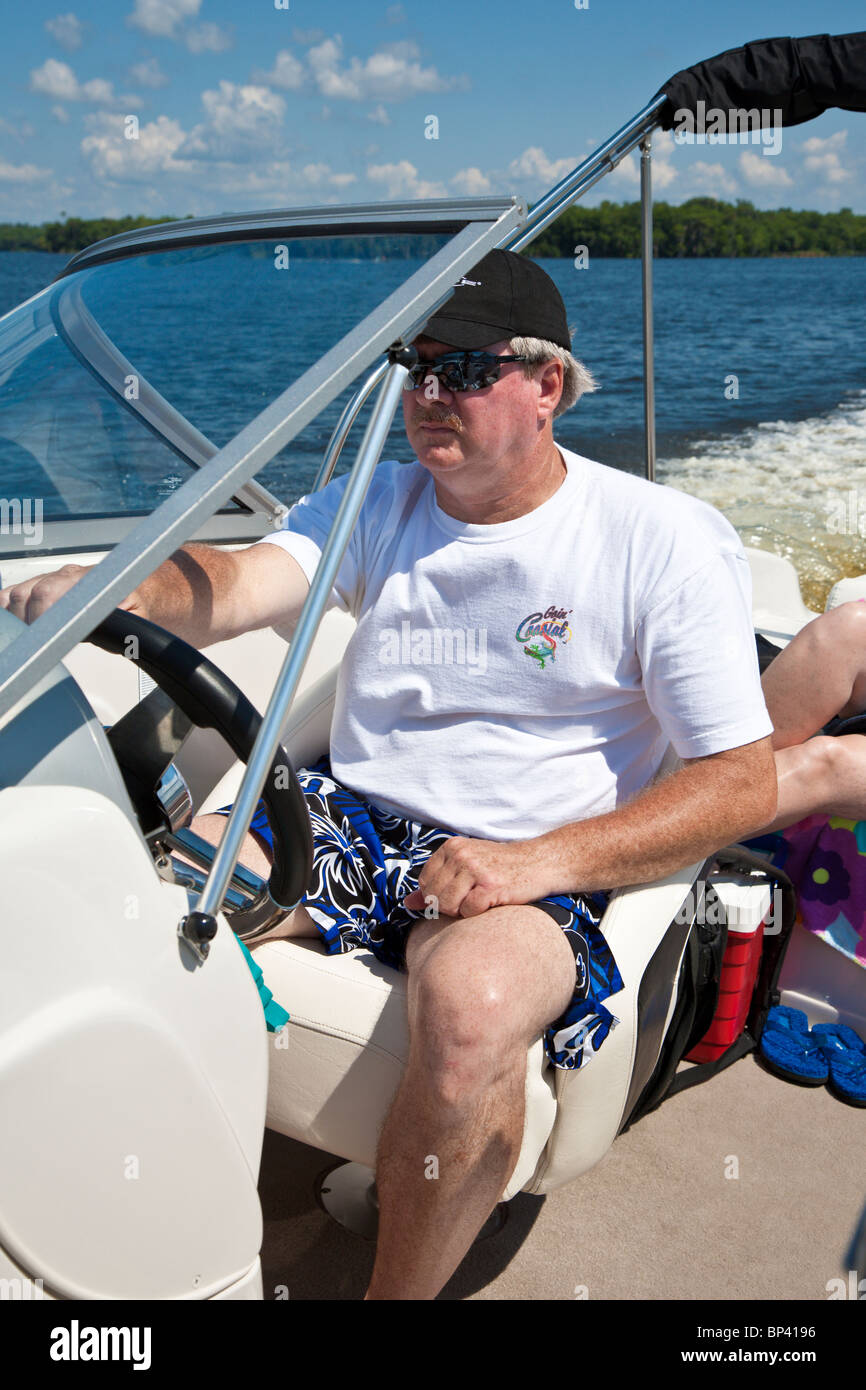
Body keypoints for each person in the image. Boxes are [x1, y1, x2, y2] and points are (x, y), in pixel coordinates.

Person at [1, 250, 864, 1301]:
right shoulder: (376, 499)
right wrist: (118, 587)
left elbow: (732, 782)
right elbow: (234, 584)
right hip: (345, 818)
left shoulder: (658, 541)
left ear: (545, 386)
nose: (425, 395)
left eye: (461, 368)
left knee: (470, 1000)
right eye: (413, 367)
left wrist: (537, 860)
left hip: (542, 852)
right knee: (143, 920)